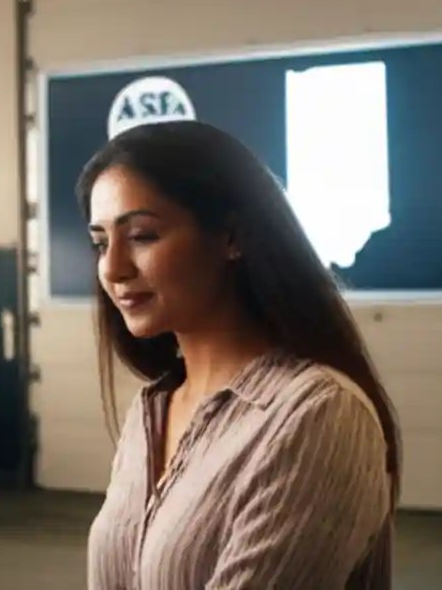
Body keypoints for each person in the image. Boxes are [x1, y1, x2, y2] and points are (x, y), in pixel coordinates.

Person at [78, 121, 401, 589]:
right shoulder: (150, 411)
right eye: (100, 243)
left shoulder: (317, 416)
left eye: (143, 235)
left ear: (231, 236)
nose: (113, 268)